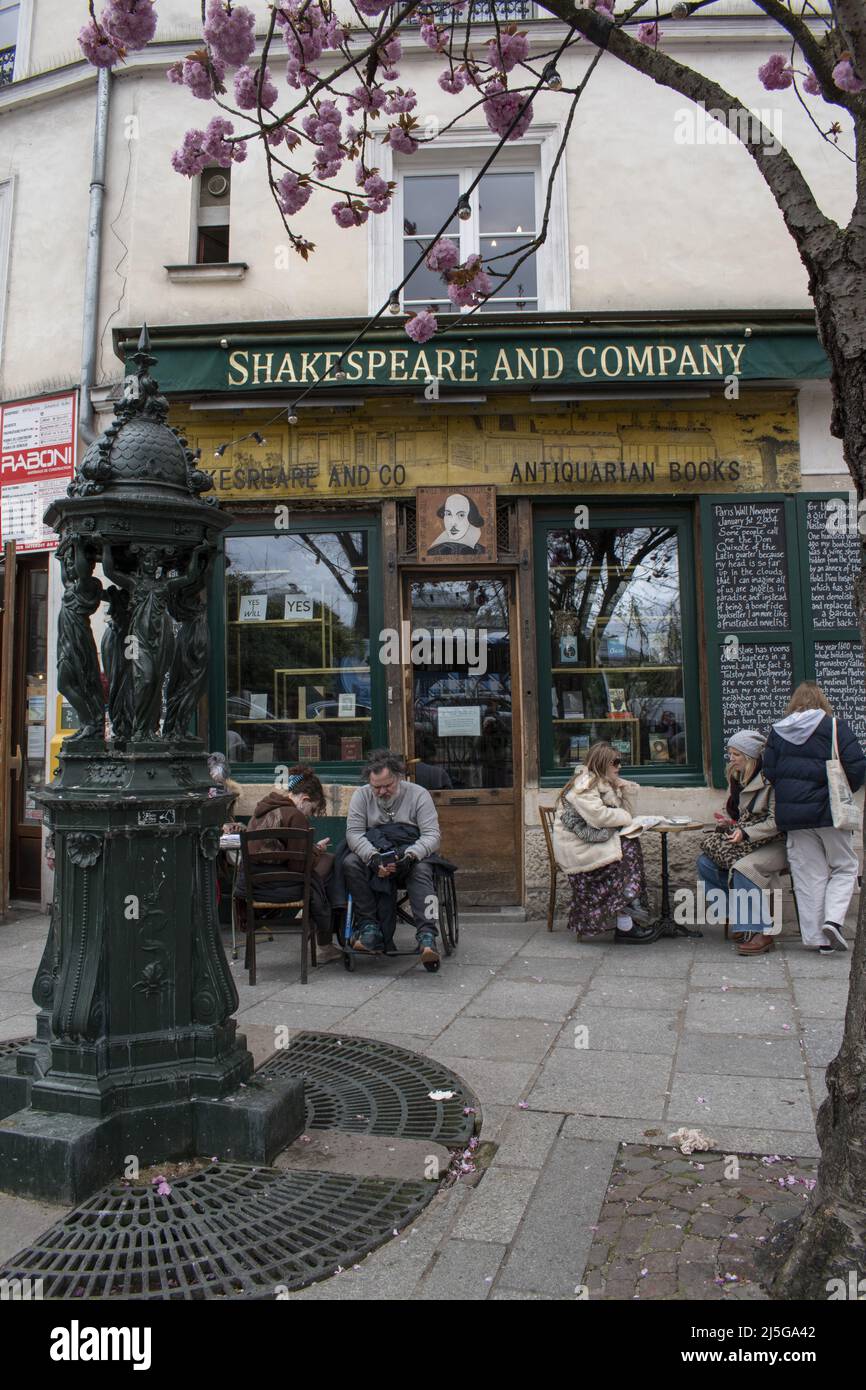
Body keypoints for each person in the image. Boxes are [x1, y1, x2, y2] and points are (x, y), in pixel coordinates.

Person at [762, 682, 866, 955]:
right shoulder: (833, 727)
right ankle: (832, 920)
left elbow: (770, 771)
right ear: (822, 701)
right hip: (829, 811)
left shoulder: (778, 731)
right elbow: (856, 765)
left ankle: (818, 938)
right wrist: (844, 790)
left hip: (794, 816)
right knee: (844, 866)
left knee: (809, 876)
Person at [344, 749, 442, 965]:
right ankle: (370, 927)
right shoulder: (361, 795)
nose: (381, 792)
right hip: (377, 852)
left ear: (399, 777)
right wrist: (373, 858)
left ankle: (427, 935)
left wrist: (410, 856)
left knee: (423, 871)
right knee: (350, 863)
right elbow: (354, 833)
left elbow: (432, 835)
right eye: (376, 787)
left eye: (387, 786)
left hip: (411, 852)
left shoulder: (418, 794)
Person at [236, 765, 341, 964]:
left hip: (252, 887)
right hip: (278, 888)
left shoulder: (261, 810)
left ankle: (317, 923)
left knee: (318, 874)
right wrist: (317, 850)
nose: (309, 815)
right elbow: (298, 867)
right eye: (311, 809)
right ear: (305, 799)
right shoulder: (295, 815)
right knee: (329, 862)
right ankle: (322, 940)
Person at [552, 741, 655, 943]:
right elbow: (599, 817)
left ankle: (628, 918)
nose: (619, 767)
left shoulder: (603, 784)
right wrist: (625, 817)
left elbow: (628, 813)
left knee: (630, 846)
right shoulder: (585, 785)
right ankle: (627, 920)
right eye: (615, 762)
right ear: (601, 763)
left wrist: (625, 788)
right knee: (628, 851)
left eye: (620, 762)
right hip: (578, 850)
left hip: (591, 845)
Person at [695, 730, 787, 956]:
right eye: (730, 753)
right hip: (749, 840)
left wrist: (745, 833)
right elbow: (740, 814)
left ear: (750, 756)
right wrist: (731, 823)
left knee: (743, 868)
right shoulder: (737, 777)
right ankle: (740, 919)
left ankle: (762, 932)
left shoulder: (770, 781)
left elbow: (777, 821)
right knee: (705, 863)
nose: (731, 758)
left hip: (774, 844)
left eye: (736, 754)